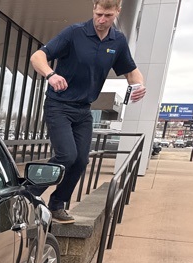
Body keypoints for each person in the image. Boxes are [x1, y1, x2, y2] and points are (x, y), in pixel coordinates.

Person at [30, 0, 145, 223]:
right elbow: (38, 57)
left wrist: (139, 85)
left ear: (117, 13)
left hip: (83, 110)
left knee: (81, 160)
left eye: (108, 16)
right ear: (93, 8)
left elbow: (131, 72)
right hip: (59, 105)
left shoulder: (117, 41)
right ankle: (27, 194)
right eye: (99, 14)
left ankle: (56, 204)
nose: (102, 20)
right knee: (67, 155)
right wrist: (50, 75)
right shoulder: (75, 33)